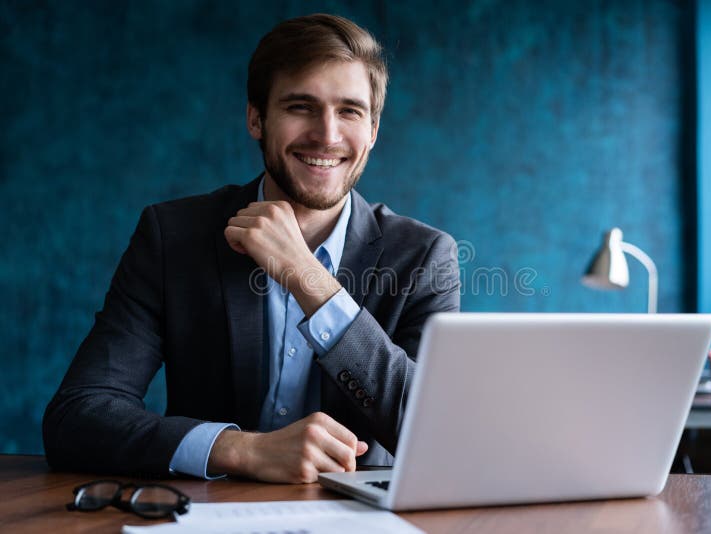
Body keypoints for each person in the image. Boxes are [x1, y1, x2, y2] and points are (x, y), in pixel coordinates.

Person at [42, 13, 460, 483]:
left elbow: (439, 437)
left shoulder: (425, 257)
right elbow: (77, 417)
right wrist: (239, 449)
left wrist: (310, 279)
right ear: (256, 119)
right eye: (301, 106)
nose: (327, 134)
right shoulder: (173, 236)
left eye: (349, 111)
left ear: (374, 130)